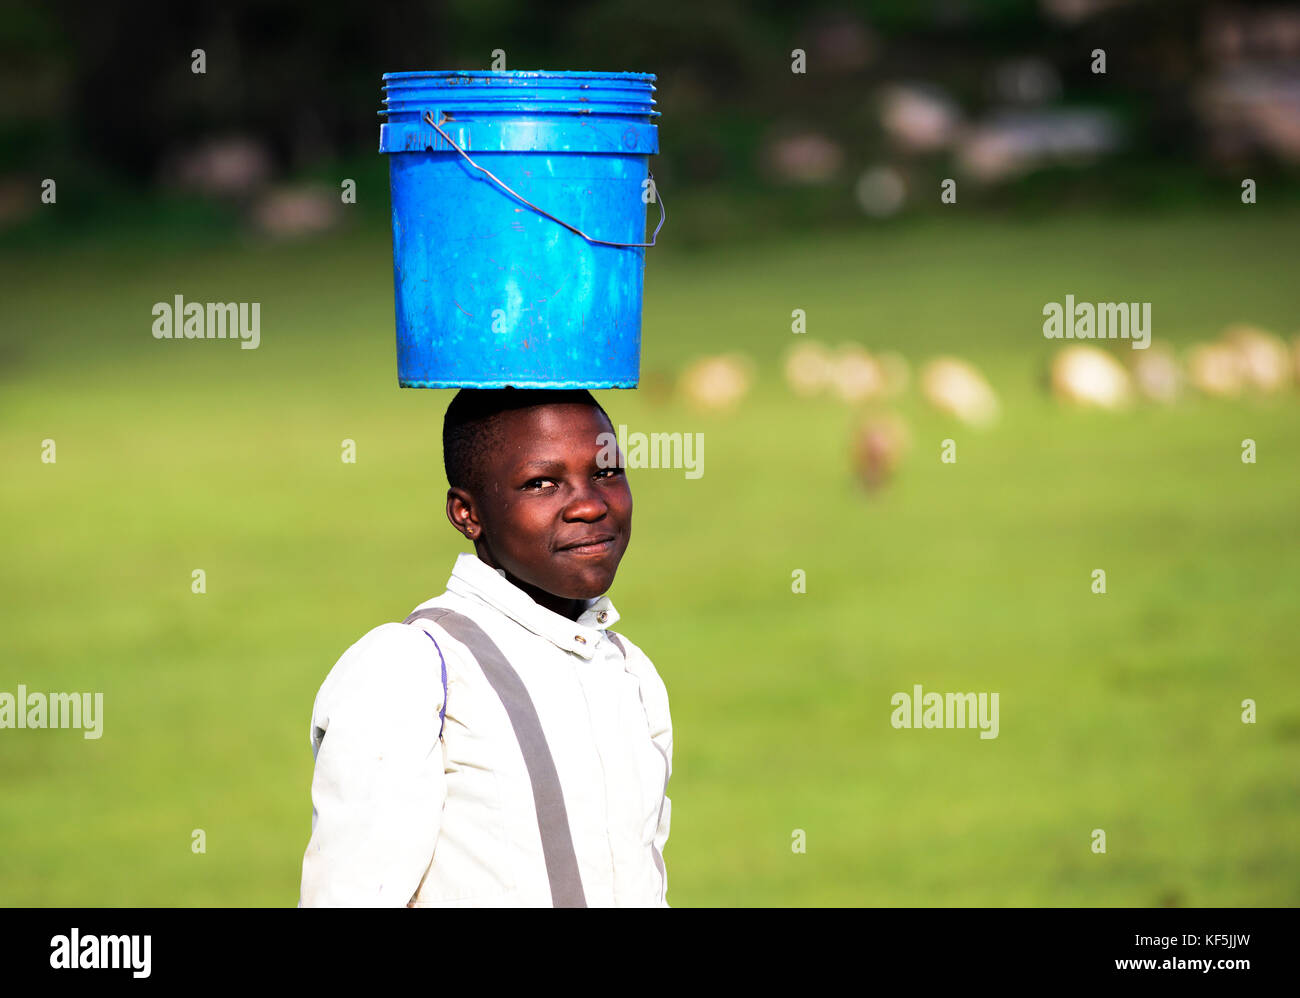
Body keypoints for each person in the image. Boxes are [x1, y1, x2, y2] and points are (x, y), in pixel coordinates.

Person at [299, 388, 672, 907]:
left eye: (606, 472)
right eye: (541, 483)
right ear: (467, 514)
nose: (590, 504)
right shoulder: (415, 668)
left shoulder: (629, 672)